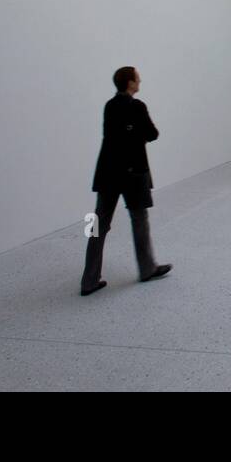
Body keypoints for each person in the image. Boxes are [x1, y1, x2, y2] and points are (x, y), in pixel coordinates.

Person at [80, 66, 172, 295]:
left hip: (108, 172)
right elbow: (152, 134)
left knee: (98, 226)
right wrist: (135, 131)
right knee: (139, 221)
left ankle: (89, 280)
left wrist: (130, 132)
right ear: (130, 82)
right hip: (133, 173)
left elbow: (112, 136)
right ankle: (147, 268)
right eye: (137, 77)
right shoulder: (137, 106)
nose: (140, 79)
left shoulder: (109, 106)